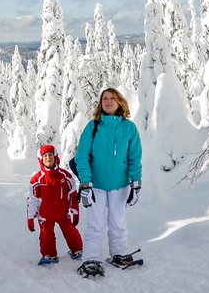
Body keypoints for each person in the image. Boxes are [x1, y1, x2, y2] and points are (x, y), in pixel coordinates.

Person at [74, 87, 143, 277]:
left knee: (118, 222)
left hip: (120, 185)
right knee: (95, 224)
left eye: (112, 98)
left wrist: (136, 182)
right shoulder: (93, 126)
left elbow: (134, 158)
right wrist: (86, 183)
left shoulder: (129, 128)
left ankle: (119, 254)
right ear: (101, 103)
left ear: (120, 102)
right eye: (105, 98)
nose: (108, 101)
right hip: (95, 185)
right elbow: (81, 156)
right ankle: (90, 259)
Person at [27, 144, 83, 265]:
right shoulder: (37, 179)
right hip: (45, 215)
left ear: (55, 157)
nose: (48, 158)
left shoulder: (65, 176)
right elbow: (32, 199)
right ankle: (49, 255)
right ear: (41, 159)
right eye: (45, 156)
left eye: (50, 155)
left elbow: (73, 195)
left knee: (71, 233)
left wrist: (75, 212)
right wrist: (30, 218)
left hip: (63, 213)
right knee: (46, 236)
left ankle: (77, 250)